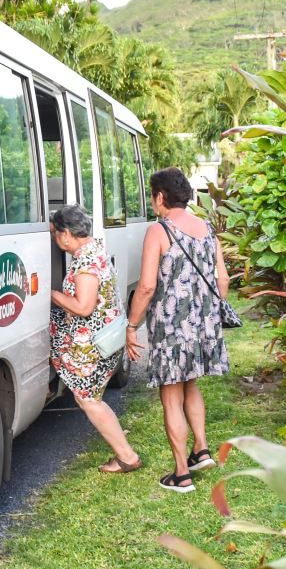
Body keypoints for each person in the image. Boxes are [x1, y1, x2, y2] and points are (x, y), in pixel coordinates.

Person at [125, 167, 230, 493]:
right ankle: (201, 450)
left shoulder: (160, 231)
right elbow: (223, 279)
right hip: (203, 327)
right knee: (191, 385)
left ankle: (181, 474)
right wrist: (207, 313)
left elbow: (146, 286)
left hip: (171, 329)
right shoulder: (207, 228)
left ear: (161, 196)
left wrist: (131, 326)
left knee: (171, 395)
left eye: (153, 195)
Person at [49, 205, 142, 474]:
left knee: (89, 400)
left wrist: (50, 293)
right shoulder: (95, 249)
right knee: (91, 398)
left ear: (66, 234)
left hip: (92, 345)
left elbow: (83, 307)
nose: (55, 239)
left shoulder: (86, 262)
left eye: (55, 233)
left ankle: (127, 456)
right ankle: (124, 451)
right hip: (104, 340)